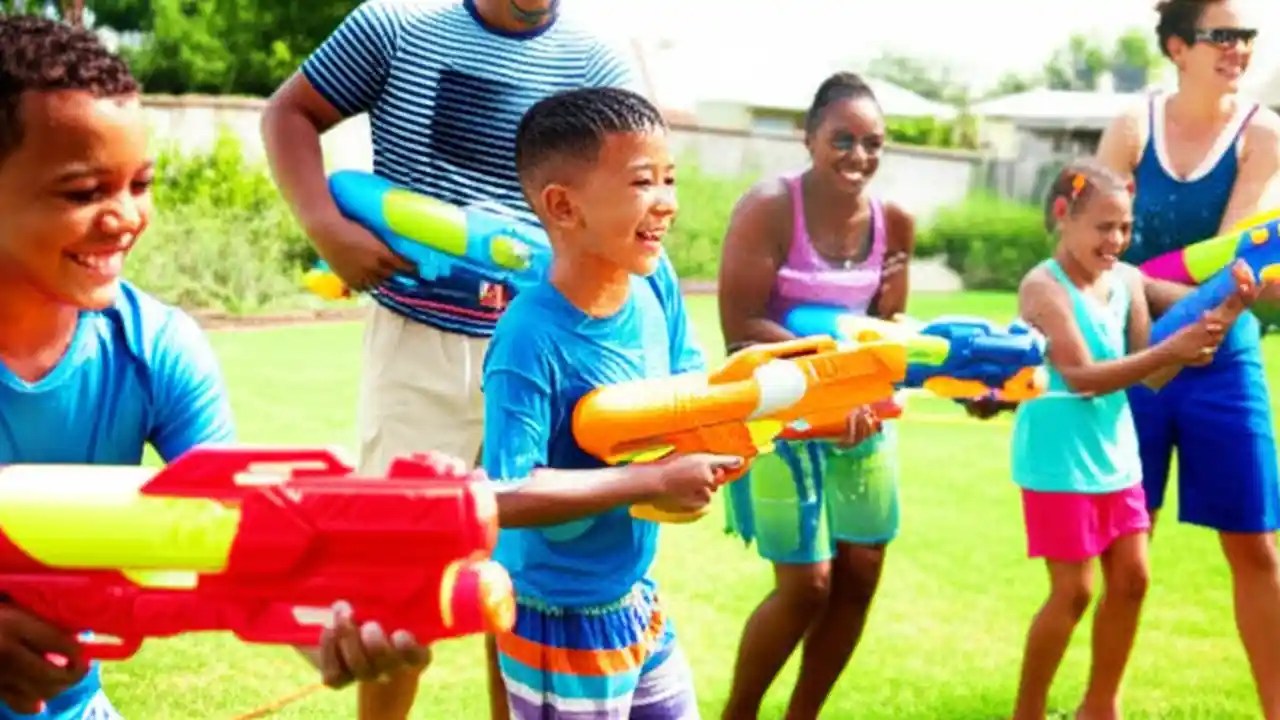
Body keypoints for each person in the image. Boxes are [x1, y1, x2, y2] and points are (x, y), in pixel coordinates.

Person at [260, 1, 642, 715]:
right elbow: (290, 113)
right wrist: (325, 225)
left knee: (531, 588)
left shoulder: (599, 61)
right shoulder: (395, 25)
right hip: (419, 349)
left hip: (552, 353)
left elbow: (636, 197)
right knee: (399, 581)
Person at [0, 15, 236, 719]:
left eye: (140, 183)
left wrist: (343, 617)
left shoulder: (159, 348)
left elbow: (243, 529)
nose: (125, 216)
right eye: (83, 192)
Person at [1006, 161, 1255, 720]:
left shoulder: (1126, 281)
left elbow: (1151, 375)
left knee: (1134, 579)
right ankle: (1027, 712)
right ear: (1063, 215)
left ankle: (1100, 708)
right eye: (1104, 226)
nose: (1117, 240)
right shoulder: (1043, 287)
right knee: (1072, 593)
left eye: (1124, 227)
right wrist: (1173, 348)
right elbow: (1087, 377)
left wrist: (1233, 305)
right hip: (1058, 462)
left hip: (1115, 460)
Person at [1095, 1, 1280, 716]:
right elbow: (1090, 246)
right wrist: (1148, 293)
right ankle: (1098, 705)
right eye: (1220, 36)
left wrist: (1140, 276)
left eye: (1246, 36)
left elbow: (1233, 264)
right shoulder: (1131, 126)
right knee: (1123, 553)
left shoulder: (1262, 134)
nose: (1237, 49)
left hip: (1223, 363)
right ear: (1177, 46)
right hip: (1136, 358)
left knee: (1257, 550)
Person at [713, 71, 914, 720]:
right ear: (809, 138)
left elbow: (887, 329)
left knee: (861, 573)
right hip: (781, 414)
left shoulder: (896, 223)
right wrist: (833, 370)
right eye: (844, 139)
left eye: (873, 143)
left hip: (861, 418)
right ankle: (739, 712)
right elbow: (740, 328)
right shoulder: (768, 207)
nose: (860, 156)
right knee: (807, 586)